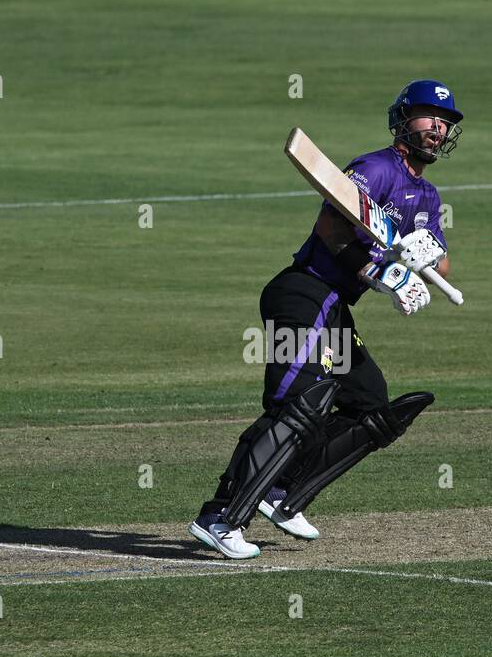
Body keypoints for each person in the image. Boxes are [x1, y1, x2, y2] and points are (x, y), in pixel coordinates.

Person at [189, 79, 464, 559]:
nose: (437, 127)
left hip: (334, 310)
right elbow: (333, 228)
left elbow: (443, 266)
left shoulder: (429, 195)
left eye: (444, 121)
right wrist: (382, 270)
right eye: (427, 116)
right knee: (299, 405)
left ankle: (282, 491)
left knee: (371, 407)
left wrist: (424, 254)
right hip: (303, 294)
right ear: (403, 119)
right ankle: (221, 516)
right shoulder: (375, 169)